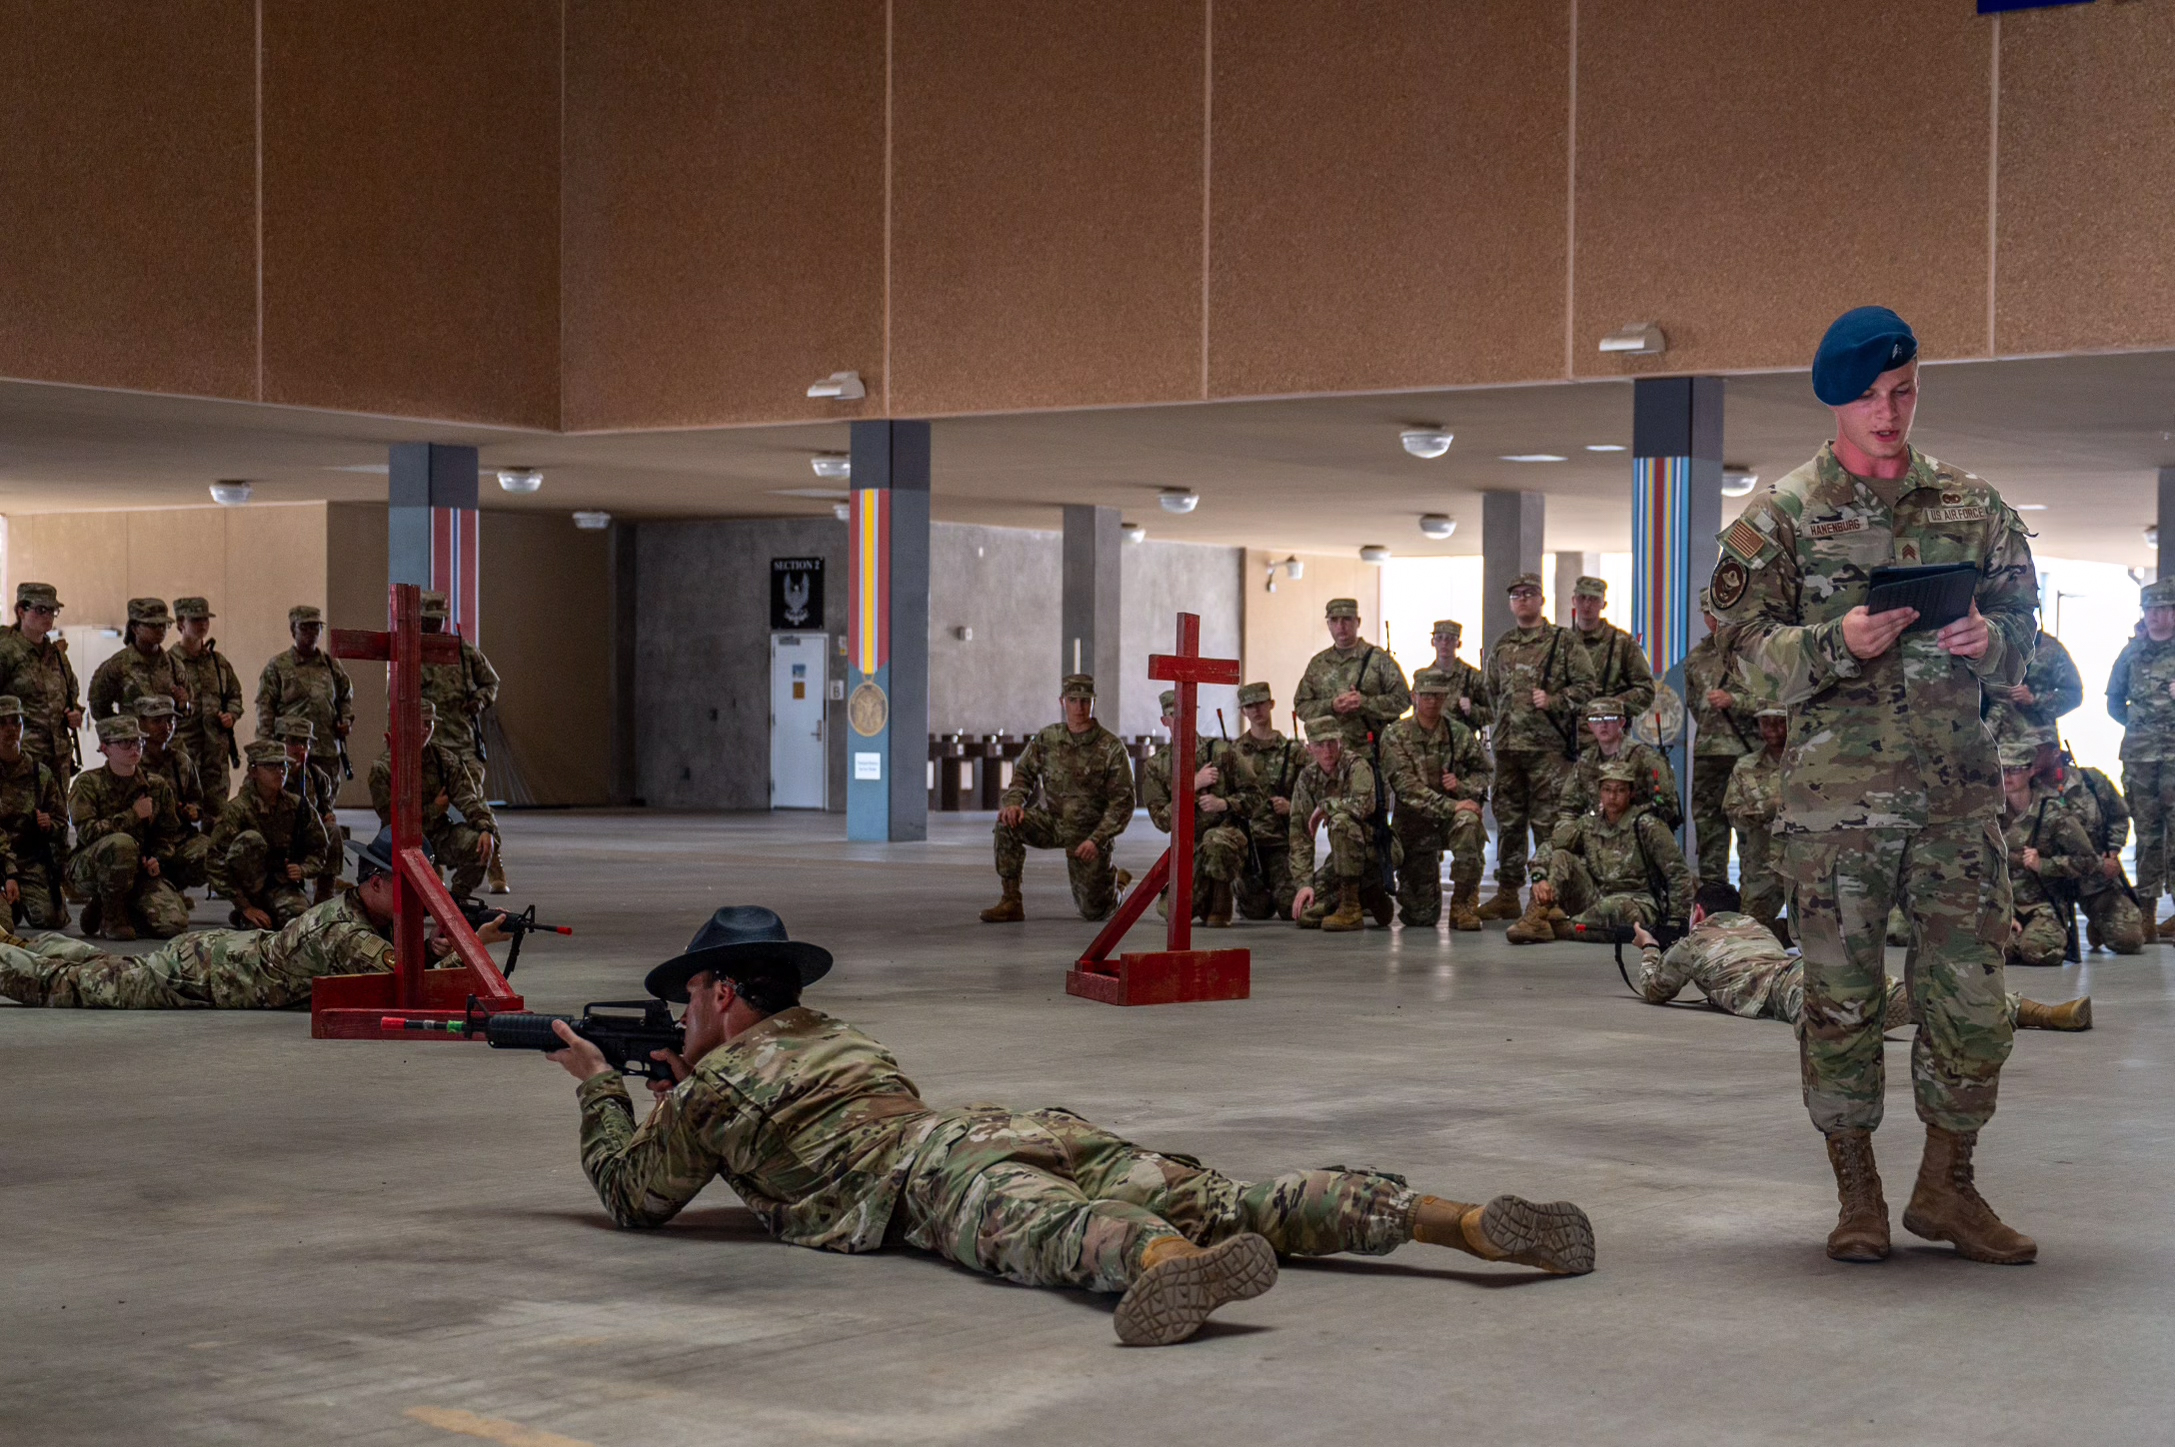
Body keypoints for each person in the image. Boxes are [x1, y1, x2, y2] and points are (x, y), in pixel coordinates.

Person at [545, 905, 1596, 1347]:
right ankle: (1451, 1220)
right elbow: (803, 1111)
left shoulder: (719, 1089)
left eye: (692, 997)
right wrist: (691, 1084)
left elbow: (635, 1197)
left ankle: (1173, 1266)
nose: (684, 1014)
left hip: (933, 1176)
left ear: (724, 992)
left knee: (1057, 1229)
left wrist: (600, 1086)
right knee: (1231, 1193)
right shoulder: (840, 1034)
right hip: (1012, 1125)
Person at [1711, 304, 2040, 1265]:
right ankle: (1856, 1190)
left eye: (1901, 392)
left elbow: (2026, 629)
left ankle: (1947, 1185)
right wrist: (1833, 642)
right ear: (1835, 402)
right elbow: (1732, 657)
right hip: (1836, 813)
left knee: (1970, 998)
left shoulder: (1972, 507)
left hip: (1955, 805)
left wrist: (1992, 640)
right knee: (1841, 1001)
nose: (1887, 412)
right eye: (1868, 397)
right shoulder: (1781, 518)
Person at [0, 828, 506, 1009]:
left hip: (215, 960)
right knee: (78, 987)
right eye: (406, 886)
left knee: (102, 966)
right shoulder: (346, 934)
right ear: (374, 882)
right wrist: (471, 946)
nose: (417, 900)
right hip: (201, 977)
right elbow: (409, 990)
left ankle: (20, 943)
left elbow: (403, 961)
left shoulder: (363, 915)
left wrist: (434, 948)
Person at [1630, 882, 2091, 1032]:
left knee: (1843, 1024)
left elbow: (1656, 989)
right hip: (1802, 968)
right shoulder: (1755, 925)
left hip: (1784, 987)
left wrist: (1649, 947)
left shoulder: (1695, 940)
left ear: (1698, 912)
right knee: (1919, 996)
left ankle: (2037, 1014)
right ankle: (2043, 1012)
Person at [1480, 573, 1596, 920]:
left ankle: (1549, 896)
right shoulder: (1503, 645)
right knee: (1509, 823)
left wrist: (1555, 699)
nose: (1522, 599)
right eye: (1516, 595)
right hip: (1508, 749)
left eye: (1529, 593)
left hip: (1549, 752)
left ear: (1541, 600)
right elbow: (1491, 693)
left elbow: (1587, 687)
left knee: (1548, 826)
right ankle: (1507, 893)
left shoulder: (1563, 642)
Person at [981, 675, 1134, 923]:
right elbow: (1023, 774)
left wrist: (1098, 839)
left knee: (1094, 912)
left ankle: (1118, 886)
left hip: (1089, 833)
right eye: (1073, 700)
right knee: (1006, 824)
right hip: (1051, 822)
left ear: (1093, 702)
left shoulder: (1111, 747)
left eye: (1085, 701)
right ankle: (1011, 901)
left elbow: (1123, 802)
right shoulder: (1048, 738)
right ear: (1062, 702)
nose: (1079, 707)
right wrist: (1014, 803)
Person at [1510, 762, 1691, 944]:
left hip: (1637, 900)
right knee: (1561, 856)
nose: (1612, 796)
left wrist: (1676, 923)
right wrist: (1538, 876)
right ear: (1600, 792)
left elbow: (1678, 874)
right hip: (1597, 896)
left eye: (1620, 790)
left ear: (1631, 793)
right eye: (1607, 790)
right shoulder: (1589, 824)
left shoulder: (1647, 825)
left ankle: (1560, 927)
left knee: (1617, 908)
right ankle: (1537, 917)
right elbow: (1552, 845)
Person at [1381, 668, 1491, 929]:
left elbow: (1485, 771)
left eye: (1438, 695)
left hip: (1448, 822)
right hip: (1413, 825)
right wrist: (1454, 804)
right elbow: (1407, 789)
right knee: (1421, 917)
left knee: (1468, 821)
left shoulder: (1459, 733)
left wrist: (1462, 786)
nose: (1432, 701)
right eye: (1426, 695)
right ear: (1414, 697)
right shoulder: (1395, 735)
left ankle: (1463, 904)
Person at [67, 713, 191, 941]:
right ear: (105, 748)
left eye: (138, 742)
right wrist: (132, 816)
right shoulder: (87, 784)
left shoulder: (156, 786)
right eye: (125, 742)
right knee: (121, 843)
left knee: (174, 924)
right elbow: (87, 833)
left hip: (138, 871)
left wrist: (157, 858)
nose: (134, 748)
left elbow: (168, 834)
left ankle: (113, 907)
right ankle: (112, 918)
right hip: (92, 867)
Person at [419, 590, 507, 893]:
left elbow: (491, 682)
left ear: (444, 620)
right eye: (426, 621)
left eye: (436, 621)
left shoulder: (463, 651)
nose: (432, 626)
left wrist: (479, 701)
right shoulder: (411, 653)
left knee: (475, 802)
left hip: (462, 743)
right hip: (428, 746)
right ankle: (434, 864)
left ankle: (493, 862)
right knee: (429, 806)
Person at [366, 700, 497, 899]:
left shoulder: (444, 761)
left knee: (479, 844)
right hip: (402, 843)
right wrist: (435, 809)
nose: (424, 729)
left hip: (439, 836)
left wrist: (486, 829)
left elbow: (470, 799)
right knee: (412, 902)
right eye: (417, 723)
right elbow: (394, 819)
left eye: (429, 723)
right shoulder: (383, 769)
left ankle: (457, 900)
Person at [2107, 577, 2175, 939]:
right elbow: (2114, 700)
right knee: (2147, 833)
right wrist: (2141, 726)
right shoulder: (2132, 653)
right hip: (2140, 757)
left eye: (2162, 609)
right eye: (2150, 609)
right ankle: (2146, 911)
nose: (2155, 616)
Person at [209, 740, 335, 929]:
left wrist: (304, 869)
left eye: (283, 766)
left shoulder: (297, 806)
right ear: (253, 771)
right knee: (251, 840)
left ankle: (267, 913)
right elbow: (214, 860)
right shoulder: (237, 809)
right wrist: (244, 905)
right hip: (250, 891)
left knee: (298, 925)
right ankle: (246, 915)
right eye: (270, 766)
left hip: (281, 884)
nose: (280, 772)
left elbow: (319, 847)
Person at [1138, 688, 1238, 925]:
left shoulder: (1221, 752)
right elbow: (1162, 821)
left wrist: (1225, 803)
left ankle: (1221, 904)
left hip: (1228, 836)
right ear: (1165, 720)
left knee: (1216, 841)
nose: (1182, 719)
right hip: (1189, 846)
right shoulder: (1157, 766)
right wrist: (1191, 787)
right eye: (1175, 714)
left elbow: (1254, 796)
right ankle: (1205, 897)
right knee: (1170, 910)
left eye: (1188, 712)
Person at [2039, 734, 2145, 953]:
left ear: (2055, 752)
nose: (2029, 757)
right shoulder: (2026, 790)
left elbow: (2119, 815)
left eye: (2037, 751)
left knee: (2128, 940)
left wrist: (2113, 850)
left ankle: (2098, 922)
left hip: (2096, 880)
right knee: (2044, 947)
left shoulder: (2091, 780)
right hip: (2051, 883)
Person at [1683, 591, 1759, 882]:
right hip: (1708, 754)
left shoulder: (1751, 652)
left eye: (1718, 613)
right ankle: (1714, 893)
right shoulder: (1696, 657)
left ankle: (1753, 897)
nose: (1713, 620)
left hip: (1747, 752)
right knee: (1709, 827)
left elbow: (1772, 703)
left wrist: (1734, 701)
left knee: (1750, 827)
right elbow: (1694, 705)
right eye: (1707, 614)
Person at [1287, 716, 1389, 931]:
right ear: (1309, 749)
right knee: (1306, 915)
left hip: (1373, 852)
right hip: (1342, 860)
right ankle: (1367, 895)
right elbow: (1300, 836)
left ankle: (1351, 907)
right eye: (1319, 745)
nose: (1327, 751)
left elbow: (1365, 804)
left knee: (1341, 822)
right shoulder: (1307, 778)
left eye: (1332, 743)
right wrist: (1304, 884)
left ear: (1341, 742)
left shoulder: (1356, 766)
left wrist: (1328, 806)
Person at [1998, 742, 2095, 969]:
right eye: (2002, 770)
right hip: (2002, 905)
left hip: (2044, 904)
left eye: (2015, 769)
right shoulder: (1990, 814)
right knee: (1998, 951)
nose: (2007, 776)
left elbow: (2089, 861)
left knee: (2037, 950)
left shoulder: (2051, 811)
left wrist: (2045, 865)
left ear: (2032, 771)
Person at [1218, 682, 1302, 921]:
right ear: (1243, 711)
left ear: (1271, 704)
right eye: (1250, 706)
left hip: (1280, 842)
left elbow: (1310, 792)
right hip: (1248, 842)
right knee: (1255, 911)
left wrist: (1292, 807)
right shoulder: (1233, 752)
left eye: (1261, 704)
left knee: (1291, 909)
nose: (1256, 710)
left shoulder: (1293, 751)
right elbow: (1224, 794)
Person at [1291, 598, 1411, 753]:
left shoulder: (1378, 659)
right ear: (1328, 625)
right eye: (1334, 620)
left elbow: (1403, 700)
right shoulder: (1318, 664)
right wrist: (1331, 706)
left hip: (1370, 753)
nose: (1341, 626)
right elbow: (1302, 706)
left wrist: (1365, 703)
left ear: (1358, 622)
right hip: (1329, 755)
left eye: (1347, 619)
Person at [257, 604, 354, 789]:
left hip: (325, 749)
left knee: (326, 797)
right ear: (293, 630)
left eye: (316, 627)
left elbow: (345, 697)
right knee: (291, 799)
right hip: (292, 750)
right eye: (304, 627)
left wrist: (346, 720)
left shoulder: (331, 665)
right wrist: (268, 749)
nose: (311, 633)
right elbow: (265, 707)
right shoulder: (278, 666)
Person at [1554, 696, 1682, 831]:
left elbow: (1666, 807)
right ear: (1590, 726)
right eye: (1596, 720)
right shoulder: (1586, 760)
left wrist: (1623, 813)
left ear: (1621, 722)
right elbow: (1568, 805)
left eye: (1610, 718)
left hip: (1636, 833)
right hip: (1597, 832)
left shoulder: (1645, 757)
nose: (1603, 725)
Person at [0, 582, 83, 781]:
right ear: (21, 611)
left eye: (52, 611)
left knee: (58, 803)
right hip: (21, 758)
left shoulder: (56, 655)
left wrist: (76, 713)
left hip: (59, 759)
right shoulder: (6, 653)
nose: (47, 616)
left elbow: (71, 695)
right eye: (40, 610)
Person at [0, 695, 69, 932]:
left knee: (53, 918)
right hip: (0, 859)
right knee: (4, 926)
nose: (10, 729)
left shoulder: (40, 774)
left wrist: (50, 824)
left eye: (15, 722)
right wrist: (9, 873)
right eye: (2, 723)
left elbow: (62, 821)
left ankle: (19, 901)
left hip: (28, 860)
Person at [168, 597, 244, 803]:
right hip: (183, 751)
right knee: (183, 809)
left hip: (215, 754)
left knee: (217, 811)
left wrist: (231, 715)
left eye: (205, 620)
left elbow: (234, 695)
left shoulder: (217, 662)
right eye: (195, 620)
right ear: (181, 623)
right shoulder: (169, 664)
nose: (202, 625)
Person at [1723, 707, 1790, 940]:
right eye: (1765, 722)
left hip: (1805, 867)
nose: (1773, 729)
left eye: (1780, 721)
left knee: (1823, 934)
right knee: (1749, 934)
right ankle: (1782, 935)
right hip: (1761, 869)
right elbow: (1732, 814)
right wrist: (1767, 808)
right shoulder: (1746, 766)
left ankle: (1795, 933)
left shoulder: (1809, 763)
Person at [132, 696, 211, 891]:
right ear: (141, 723)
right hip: (142, 844)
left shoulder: (181, 761)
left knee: (212, 852)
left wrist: (194, 811)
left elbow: (197, 798)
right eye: (157, 721)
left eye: (170, 721)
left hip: (176, 840)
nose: (165, 727)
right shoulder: (132, 762)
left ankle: (173, 886)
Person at [1568, 577, 1655, 750]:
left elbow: (1646, 690)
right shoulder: (1562, 643)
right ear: (1574, 601)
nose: (1587, 605)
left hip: (1609, 743)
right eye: (1582, 598)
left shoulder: (1622, 643)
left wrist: (1611, 706)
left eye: (1593, 599)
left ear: (1603, 604)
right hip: (1567, 741)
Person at [274, 715, 344, 905]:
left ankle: (324, 893)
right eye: (293, 742)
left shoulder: (316, 776)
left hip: (304, 837)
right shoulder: (269, 775)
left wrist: (327, 817)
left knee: (333, 831)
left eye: (305, 743)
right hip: (276, 842)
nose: (300, 748)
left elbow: (325, 808)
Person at [87, 597, 188, 720]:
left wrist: (183, 706)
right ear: (135, 628)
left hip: (167, 732)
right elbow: (98, 709)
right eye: (153, 625)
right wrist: (124, 727)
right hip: (133, 732)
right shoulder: (117, 666)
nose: (160, 629)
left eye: (164, 625)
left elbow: (185, 713)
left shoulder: (174, 666)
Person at [1983, 623, 2081, 749]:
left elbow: (2074, 695)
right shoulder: (1985, 642)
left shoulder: (2050, 648)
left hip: (2034, 743)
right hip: (1990, 739)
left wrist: (2034, 699)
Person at [1426, 620, 1491, 732]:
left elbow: (1495, 710)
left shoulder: (1472, 677)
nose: (1444, 643)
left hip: (1462, 741)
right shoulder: (1425, 678)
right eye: (1439, 638)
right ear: (1433, 642)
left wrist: (1472, 711)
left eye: (1450, 639)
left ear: (1458, 644)